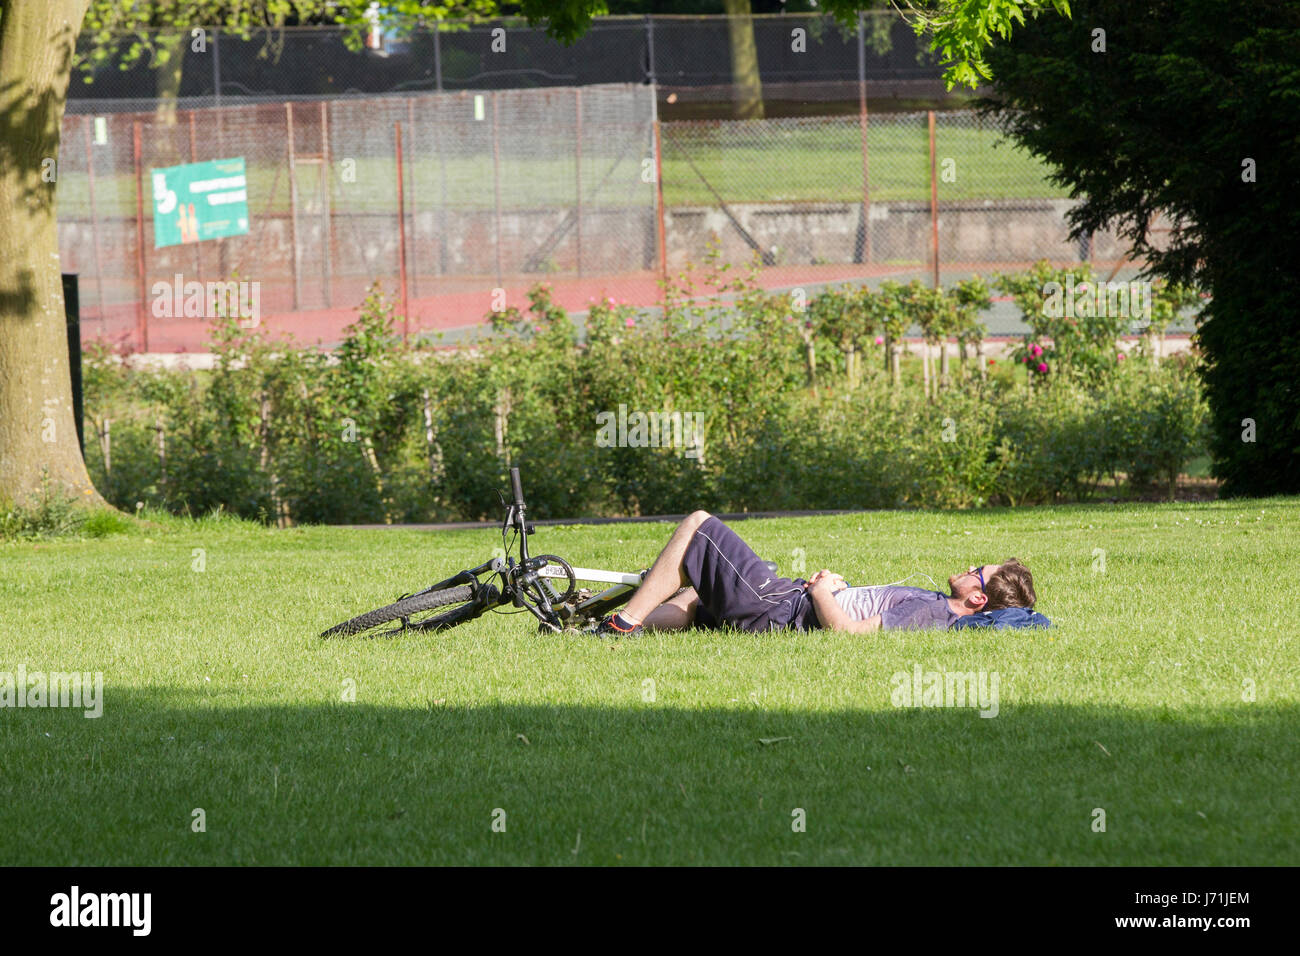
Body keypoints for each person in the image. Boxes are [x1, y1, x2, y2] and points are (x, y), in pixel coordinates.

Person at [593, 512, 1036, 637]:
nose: (968, 567)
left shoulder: (933, 613)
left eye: (977, 571)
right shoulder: (934, 606)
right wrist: (836, 586)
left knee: (698, 527)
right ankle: (589, 628)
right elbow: (860, 608)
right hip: (791, 602)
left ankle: (622, 622)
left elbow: (847, 633)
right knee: (692, 601)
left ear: (978, 599)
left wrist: (822, 591)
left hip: (778, 608)